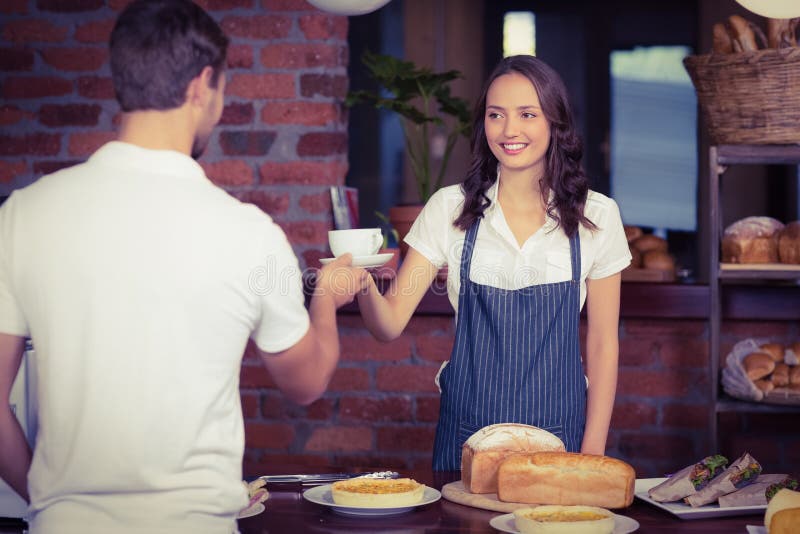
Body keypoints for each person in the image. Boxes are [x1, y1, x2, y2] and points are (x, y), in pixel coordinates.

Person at [0, 0, 368, 532]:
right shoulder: (249, 234)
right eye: (221, 89)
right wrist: (326, 300)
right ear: (202, 86)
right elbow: (306, 382)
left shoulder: (21, 218)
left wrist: (47, 499)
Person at [357, 55, 632, 470]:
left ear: (555, 122)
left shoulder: (599, 216)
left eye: (527, 114)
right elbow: (389, 323)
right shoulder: (448, 208)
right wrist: (362, 282)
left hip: (561, 442)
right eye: (495, 115)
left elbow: (603, 344)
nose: (509, 130)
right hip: (464, 444)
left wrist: (591, 453)